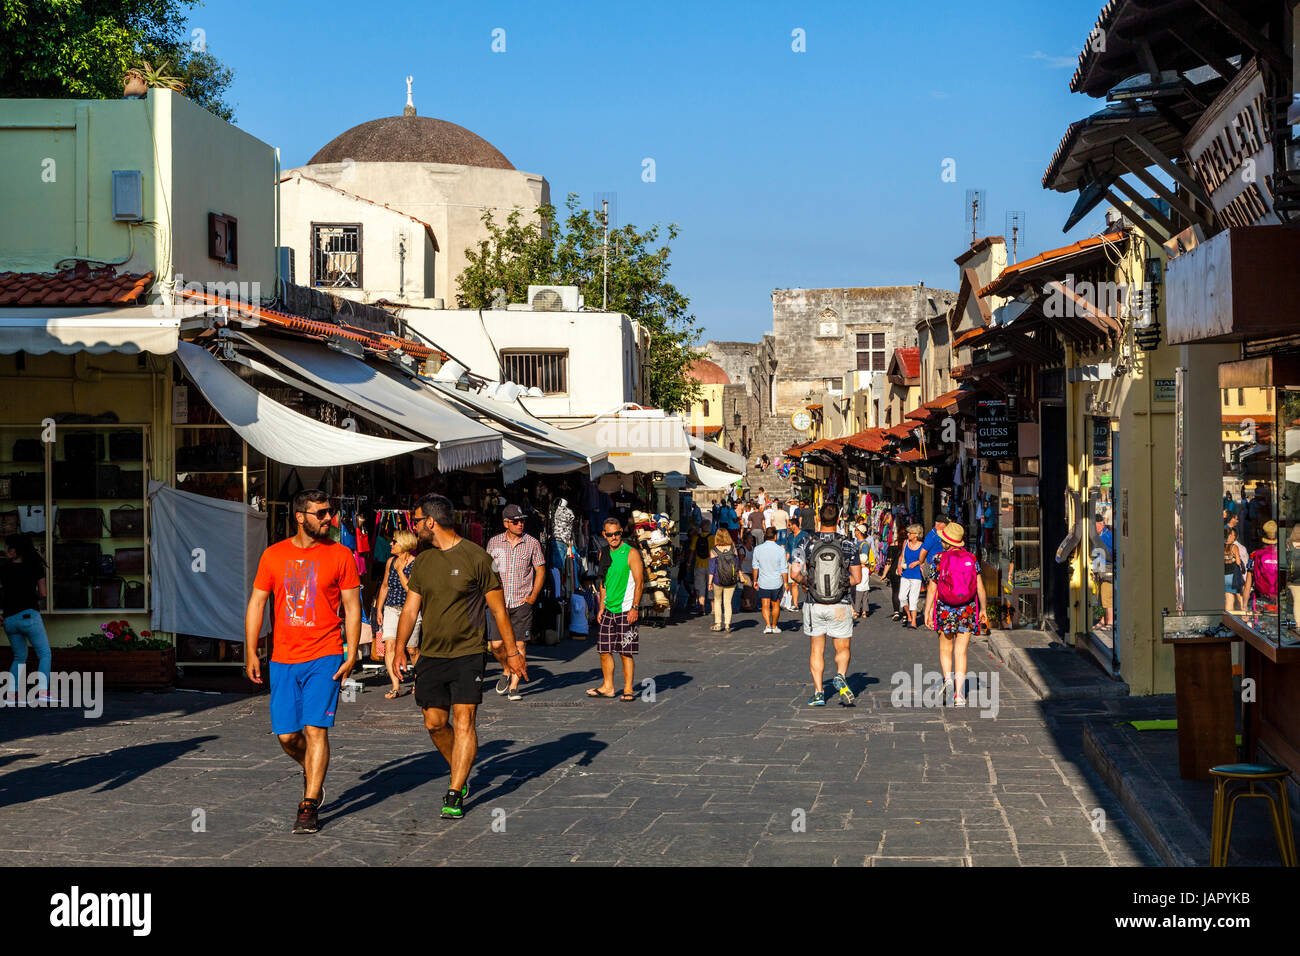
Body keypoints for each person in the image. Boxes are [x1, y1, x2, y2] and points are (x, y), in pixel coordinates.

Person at [393, 494, 526, 820]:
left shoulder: (478, 558)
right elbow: (411, 609)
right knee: (435, 724)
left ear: (430, 522)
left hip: (468, 653)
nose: (414, 526)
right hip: (432, 655)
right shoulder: (423, 561)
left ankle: (455, 790)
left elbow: (499, 609)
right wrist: (398, 648)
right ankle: (460, 767)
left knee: (465, 719)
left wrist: (512, 654)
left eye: (416, 519)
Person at [245, 489, 361, 834]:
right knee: (286, 736)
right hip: (283, 657)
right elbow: (256, 604)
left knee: (315, 730)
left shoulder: (341, 555)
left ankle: (308, 805)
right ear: (300, 517)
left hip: (325, 654)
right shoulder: (273, 555)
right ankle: (313, 771)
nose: (329, 519)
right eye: (321, 513)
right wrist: (251, 649)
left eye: (330, 512)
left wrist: (351, 651)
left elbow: (353, 607)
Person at [791, 502, 862, 707]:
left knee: (817, 650)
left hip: (814, 604)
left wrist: (808, 583)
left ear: (818, 520)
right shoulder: (848, 544)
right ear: (838, 520)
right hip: (840, 604)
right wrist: (841, 585)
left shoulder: (805, 542)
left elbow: (794, 574)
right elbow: (856, 578)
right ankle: (840, 675)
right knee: (843, 647)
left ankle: (819, 692)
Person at [485, 503, 545, 701]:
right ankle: (506, 668)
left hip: (521, 600)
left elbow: (540, 570)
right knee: (496, 645)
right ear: (506, 523)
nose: (520, 524)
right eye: (516, 521)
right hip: (498, 602)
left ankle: (514, 687)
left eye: (522, 521)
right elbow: (488, 570)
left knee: (520, 644)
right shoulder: (494, 543)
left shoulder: (532, 543)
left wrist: (533, 596)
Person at [922, 523, 987, 706]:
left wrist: (927, 611)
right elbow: (980, 588)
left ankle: (948, 680)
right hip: (967, 609)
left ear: (946, 541)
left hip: (944, 609)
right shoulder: (971, 559)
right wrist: (983, 609)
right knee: (961, 651)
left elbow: (932, 588)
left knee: (945, 648)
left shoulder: (938, 559)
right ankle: (959, 695)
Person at [588, 517, 645, 701]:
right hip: (608, 611)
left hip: (626, 609)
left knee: (625, 651)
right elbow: (603, 582)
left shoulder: (631, 553)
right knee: (604, 650)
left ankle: (628, 689)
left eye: (617, 533)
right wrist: (601, 607)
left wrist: (635, 607)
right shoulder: (603, 553)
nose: (613, 537)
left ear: (621, 532)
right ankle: (608, 686)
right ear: (604, 535)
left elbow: (639, 583)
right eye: (610, 534)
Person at [1, 533, 51, 704]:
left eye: (9, 548)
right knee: (44, 654)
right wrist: (34, 597)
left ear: (14, 550)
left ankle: (11, 695)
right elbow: (43, 593)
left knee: (19, 657)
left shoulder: (4, 567)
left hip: (9, 619)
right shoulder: (35, 566)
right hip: (29, 616)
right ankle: (42, 692)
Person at [374, 529, 421, 699]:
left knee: (412, 649)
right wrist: (379, 608)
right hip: (391, 608)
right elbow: (385, 586)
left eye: (394, 542)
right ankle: (396, 686)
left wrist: (401, 571)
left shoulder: (417, 563)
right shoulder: (390, 562)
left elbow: (411, 589)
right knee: (390, 646)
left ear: (404, 544)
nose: (391, 544)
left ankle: (418, 680)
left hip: (410, 609)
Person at [752, 526, 791, 634]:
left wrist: (755, 580)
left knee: (765, 604)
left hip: (763, 581)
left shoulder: (758, 549)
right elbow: (784, 568)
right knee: (775, 605)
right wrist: (786, 582)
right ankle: (774, 625)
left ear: (765, 536)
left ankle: (768, 625)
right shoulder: (780, 550)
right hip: (776, 582)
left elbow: (755, 567)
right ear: (775, 536)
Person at [1243, 520, 1280, 618]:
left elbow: (1248, 585)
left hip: (1261, 598)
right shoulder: (1283, 555)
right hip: (1279, 600)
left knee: (1261, 628)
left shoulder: (1255, 555)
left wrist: (1244, 606)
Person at [708, 527, 740, 633]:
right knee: (728, 602)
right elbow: (737, 564)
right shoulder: (733, 548)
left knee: (717, 601)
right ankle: (727, 624)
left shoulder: (714, 550)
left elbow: (712, 568)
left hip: (718, 579)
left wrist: (709, 582)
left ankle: (718, 623)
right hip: (731, 579)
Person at [897, 524, 925, 628]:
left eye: (910, 533)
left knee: (913, 598)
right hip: (905, 573)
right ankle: (908, 615)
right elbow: (901, 556)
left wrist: (917, 562)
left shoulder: (922, 545)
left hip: (916, 574)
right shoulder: (906, 543)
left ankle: (913, 621)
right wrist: (899, 566)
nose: (908, 534)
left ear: (916, 535)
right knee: (902, 597)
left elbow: (923, 559)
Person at [689, 519, 714, 615]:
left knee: (700, 587)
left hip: (699, 565)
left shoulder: (696, 538)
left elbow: (692, 552)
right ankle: (713, 608)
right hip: (711, 566)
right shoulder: (713, 538)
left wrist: (688, 564)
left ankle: (702, 608)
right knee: (711, 587)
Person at [852, 523, 872, 620]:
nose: (854, 532)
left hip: (862, 569)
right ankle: (863, 610)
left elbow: (864, 559)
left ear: (859, 532)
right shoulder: (857, 543)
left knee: (861, 591)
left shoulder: (864, 544)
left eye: (856, 530)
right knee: (862, 591)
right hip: (859, 568)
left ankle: (858, 611)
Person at [1225, 529, 1245, 613]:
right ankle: (1243, 617)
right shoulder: (1234, 547)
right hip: (1233, 577)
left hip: (1224, 577)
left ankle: (1228, 619)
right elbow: (1238, 562)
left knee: (1229, 600)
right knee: (1240, 598)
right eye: (1232, 535)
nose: (1233, 536)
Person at [738, 531, 758, 612]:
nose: (752, 539)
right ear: (746, 540)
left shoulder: (754, 549)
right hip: (744, 572)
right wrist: (740, 574)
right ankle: (748, 603)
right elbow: (740, 562)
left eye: (752, 538)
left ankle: (744, 604)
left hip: (752, 572)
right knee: (748, 586)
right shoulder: (742, 549)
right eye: (750, 538)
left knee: (752, 589)